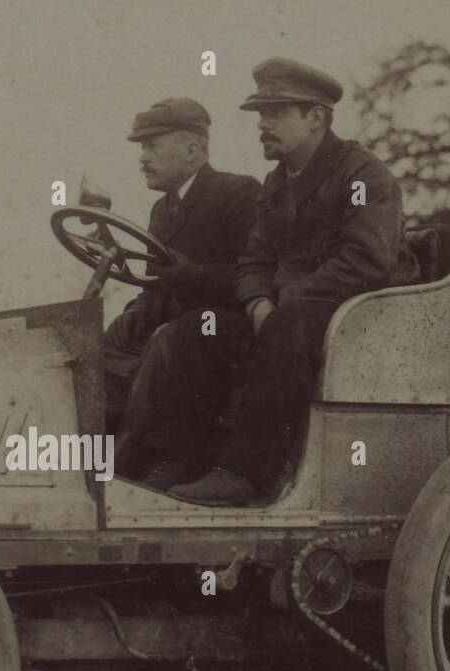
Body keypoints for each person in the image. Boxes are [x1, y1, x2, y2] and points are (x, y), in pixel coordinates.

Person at [125, 58, 421, 505]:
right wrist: (258, 301)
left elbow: (367, 260)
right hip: (293, 315)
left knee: (290, 323)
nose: (262, 124)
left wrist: (283, 300)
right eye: (261, 114)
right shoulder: (277, 183)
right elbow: (253, 260)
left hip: (362, 322)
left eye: (276, 113)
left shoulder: (362, 174)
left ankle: (247, 474)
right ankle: (182, 459)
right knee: (200, 326)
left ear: (316, 117)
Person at [101, 98, 259, 456]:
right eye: (143, 147)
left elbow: (254, 275)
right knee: (108, 344)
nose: (143, 157)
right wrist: (139, 309)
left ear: (192, 150)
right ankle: (94, 453)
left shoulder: (237, 192)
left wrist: (191, 276)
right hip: (180, 329)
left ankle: (138, 460)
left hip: (226, 329)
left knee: (174, 338)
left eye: (152, 146)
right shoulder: (162, 210)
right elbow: (157, 283)